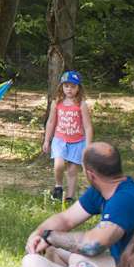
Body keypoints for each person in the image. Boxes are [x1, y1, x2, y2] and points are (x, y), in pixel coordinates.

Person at [41, 70, 92, 201]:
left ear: (78, 88)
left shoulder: (81, 104)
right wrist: (47, 140)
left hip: (78, 141)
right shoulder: (56, 103)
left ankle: (69, 197)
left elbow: (87, 126)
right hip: (60, 139)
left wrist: (88, 146)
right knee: (58, 165)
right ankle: (58, 187)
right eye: (66, 86)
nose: (69, 89)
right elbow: (51, 122)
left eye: (73, 86)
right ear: (61, 87)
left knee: (72, 171)